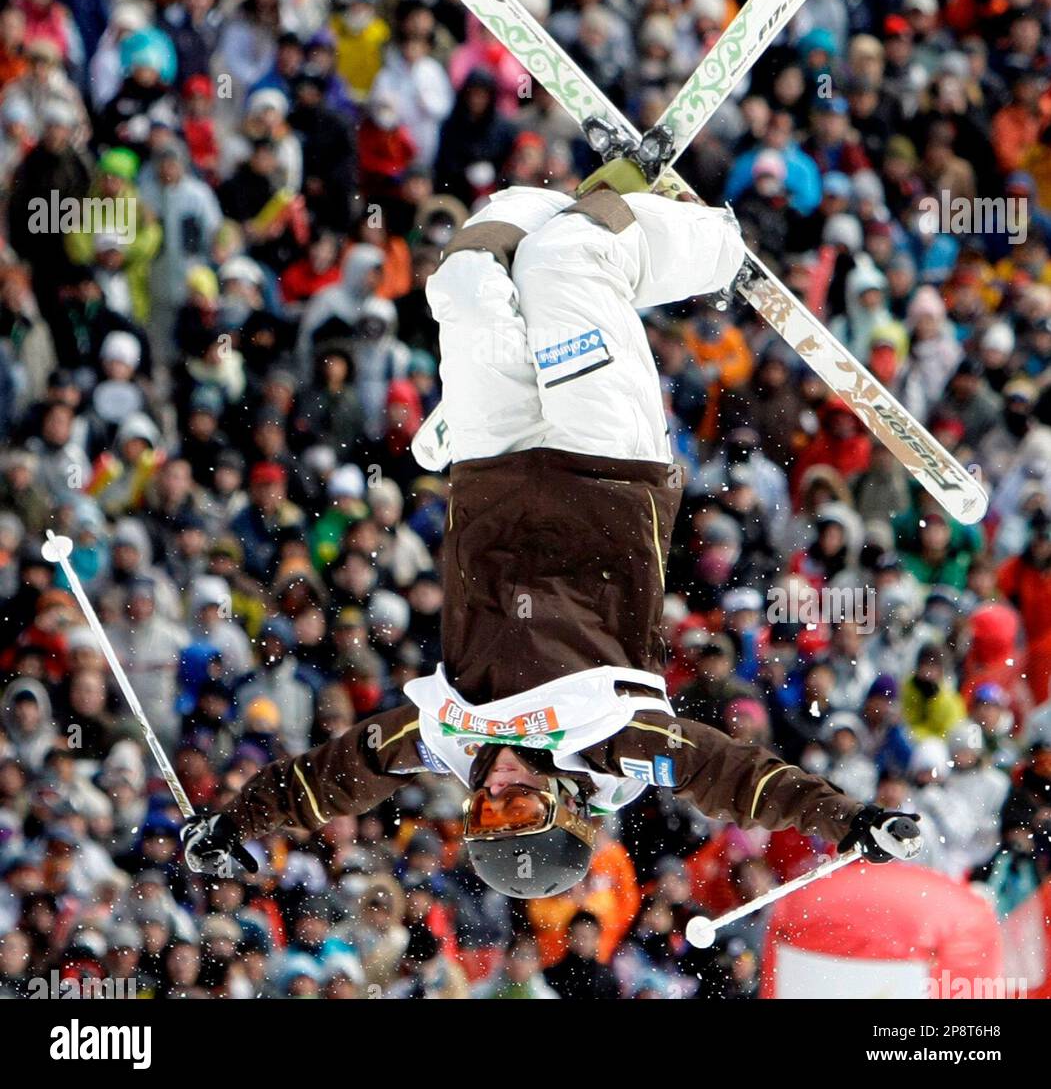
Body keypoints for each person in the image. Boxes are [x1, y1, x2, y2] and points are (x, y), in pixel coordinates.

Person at [183, 156, 920, 894]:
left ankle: (550, 199)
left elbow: (337, 777)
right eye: (520, 806)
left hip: (492, 468)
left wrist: (234, 823)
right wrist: (846, 820)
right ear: (565, 807)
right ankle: (721, 243)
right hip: (605, 468)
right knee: (565, 262)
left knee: (464, 284)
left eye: (485, 811)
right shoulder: (611, 745)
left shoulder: (449, 735)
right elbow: (731, 778)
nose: (498, 788)